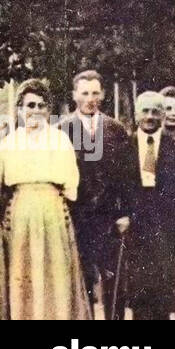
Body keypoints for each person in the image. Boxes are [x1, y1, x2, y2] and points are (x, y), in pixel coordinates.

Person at [1, 79, 92, 320]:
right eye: (30, 105)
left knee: (55, 273)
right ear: (20, 108)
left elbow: (71, 183)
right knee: (23, 274)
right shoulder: (8, 143)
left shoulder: (60, 140)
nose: (36, 111)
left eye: (42, 105)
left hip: (52, 211)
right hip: (21, 214)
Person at [59, 69, 133, 320]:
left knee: (115, 281)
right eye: (84, 93)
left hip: (110, 218)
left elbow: (127, 176)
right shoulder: (62, 130)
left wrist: (124, 213)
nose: (90, 98)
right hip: (78, 217)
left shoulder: (116, 129)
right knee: (82, 280)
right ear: (74, 95)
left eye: (95, 93)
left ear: (102, 94)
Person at [125, 91, 175, 321]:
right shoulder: (123, 148)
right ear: (137, 114)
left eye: (155, 111)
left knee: (168, 293)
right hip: (134, 229)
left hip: (167, 231)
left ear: (162, 115)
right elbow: (114, 187)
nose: (150, 116)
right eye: (145, 111)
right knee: (141, 297)